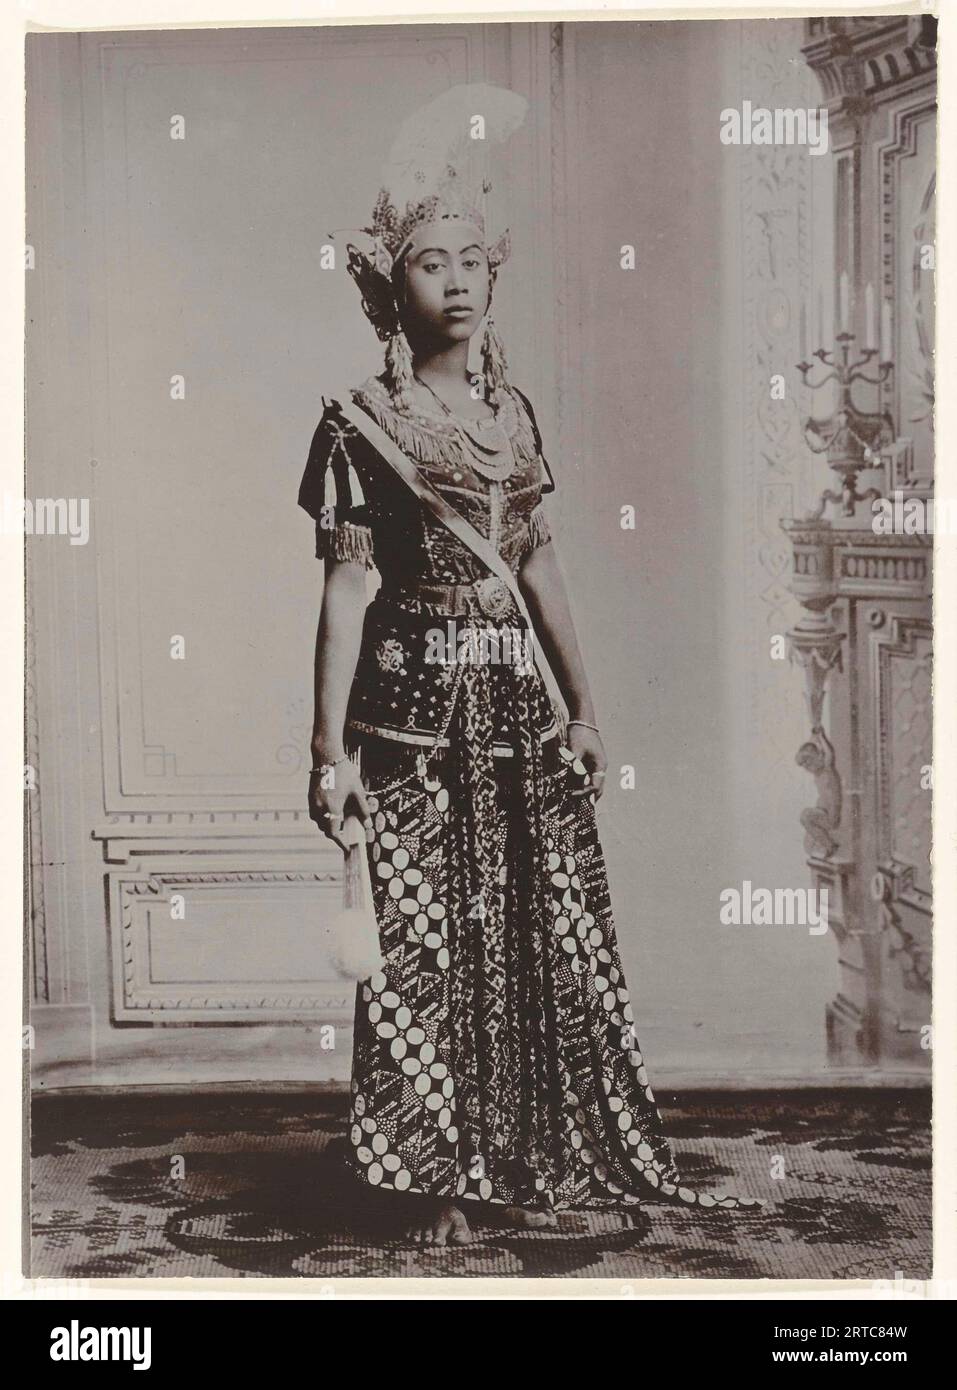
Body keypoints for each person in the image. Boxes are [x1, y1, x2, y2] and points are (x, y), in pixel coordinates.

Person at [299, 84, 762, 1247]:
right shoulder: (360, 424)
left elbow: (542, 571)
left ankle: (522, 1151)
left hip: (514, 706)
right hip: (407, 710)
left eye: (471, 262)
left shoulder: (517, 414)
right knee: (423, 943)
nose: (454, 280)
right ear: (388, 289)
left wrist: (585, 708)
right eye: (428, 265)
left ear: (492, 279)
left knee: (526, 935)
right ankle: (429, 1176)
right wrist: (324, 749)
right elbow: (346, 591)